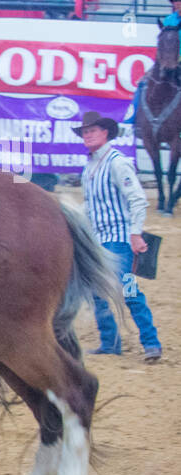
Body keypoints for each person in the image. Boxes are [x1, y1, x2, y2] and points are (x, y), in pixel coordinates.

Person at [74, 111, 161, 361]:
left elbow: (138, 200)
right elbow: (89, 205)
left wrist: (135, 234)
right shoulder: (90, 166)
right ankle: (111, 342)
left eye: (91, 131)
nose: (87, 135)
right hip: (99, 239)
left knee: (129, 289)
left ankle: (151, 342)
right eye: (84, 132)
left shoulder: (117, 162)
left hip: (120, 239)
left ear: (105, 132)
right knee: (95, 290)